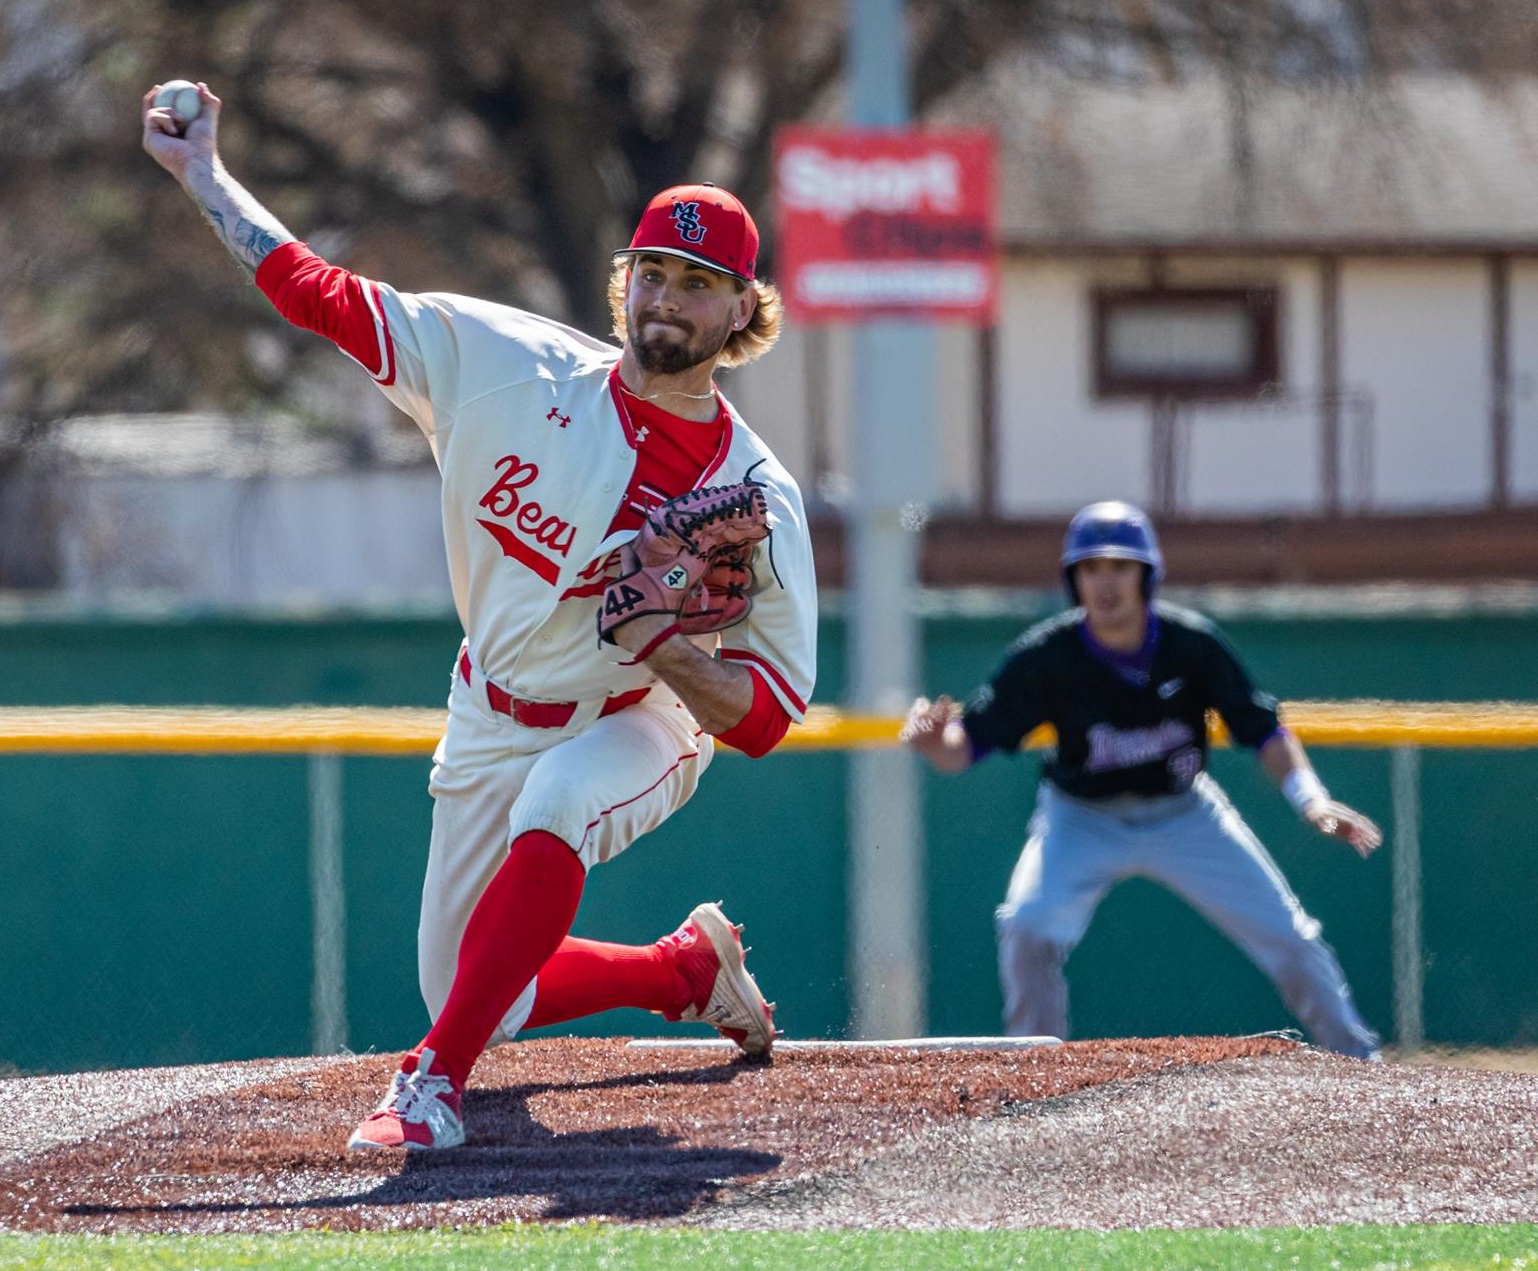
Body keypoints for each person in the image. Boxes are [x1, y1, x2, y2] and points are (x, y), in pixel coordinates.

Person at [143, 81, 819, 1149]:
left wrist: (667, 646)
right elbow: (317, 291)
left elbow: (768, 715)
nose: (668, 299)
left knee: (555, 806)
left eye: (701, 282)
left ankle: (426, 1087)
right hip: (488, 707)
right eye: (653, 271)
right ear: (621, 280)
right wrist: (203, 175)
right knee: (482, 987)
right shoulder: (507, 368)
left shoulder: (755, 492)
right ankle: (681, 970)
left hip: (637, 711)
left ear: (743, 310)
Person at [902, 501, 1382, 1059]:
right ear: (1074, 580)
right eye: (1091, 568)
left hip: (1184, 812)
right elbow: (967, 748)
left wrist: (1312, 799)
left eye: (1120, 566)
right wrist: (936, 744)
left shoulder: (1191, 646)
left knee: (1292, 939)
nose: (1105, 582)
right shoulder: (1048, 656)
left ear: (1146, 576)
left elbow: (1263, 731)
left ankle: (1360, 1062)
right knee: (1028, 927)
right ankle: (1031, 1074)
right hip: (1080, 817)